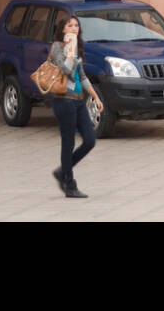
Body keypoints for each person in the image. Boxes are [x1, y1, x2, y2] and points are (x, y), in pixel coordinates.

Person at [49, 15, 104, 198]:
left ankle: (62, 171)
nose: (74, 28)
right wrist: (70, 51)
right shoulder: (57, 47)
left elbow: (81, 75)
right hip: (64, 101)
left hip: (79, 101)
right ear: (63, 29)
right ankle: (69, 184)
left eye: (76, 25)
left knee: (90, 140)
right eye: (70, 25)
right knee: (68, 142)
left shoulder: (77, 47)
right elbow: (66, 70)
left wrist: (96, 97)